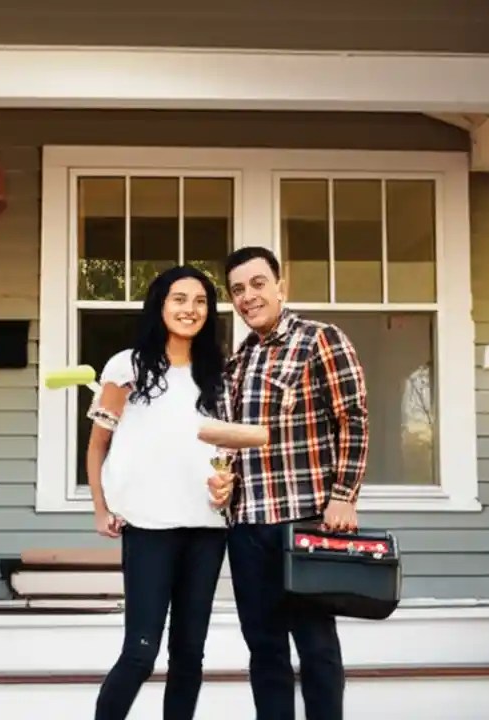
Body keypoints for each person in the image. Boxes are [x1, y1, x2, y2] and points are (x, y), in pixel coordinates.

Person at [206, 246, 369, 720]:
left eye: (258, 284)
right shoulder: (237, 361)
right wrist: (222, 484)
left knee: (316, 643)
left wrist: (343, 496)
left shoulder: (320, 339)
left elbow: (353, 419)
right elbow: (232, 443)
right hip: (246, 525)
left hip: (305, 520)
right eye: (238, 290)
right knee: (264, 647)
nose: (248, 296)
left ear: (281, 286)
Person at [87, 265, 230, 720]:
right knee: (141, 652)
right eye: (180, 299)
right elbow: (97, 444)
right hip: (149, 527)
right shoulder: (127, 366)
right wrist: (100, 506)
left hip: (208, 527)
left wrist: (229, 486)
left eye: (201, 301)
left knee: (189, 655)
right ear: (161, 305)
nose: (190, 309)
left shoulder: (220, 373)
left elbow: (228, 449)